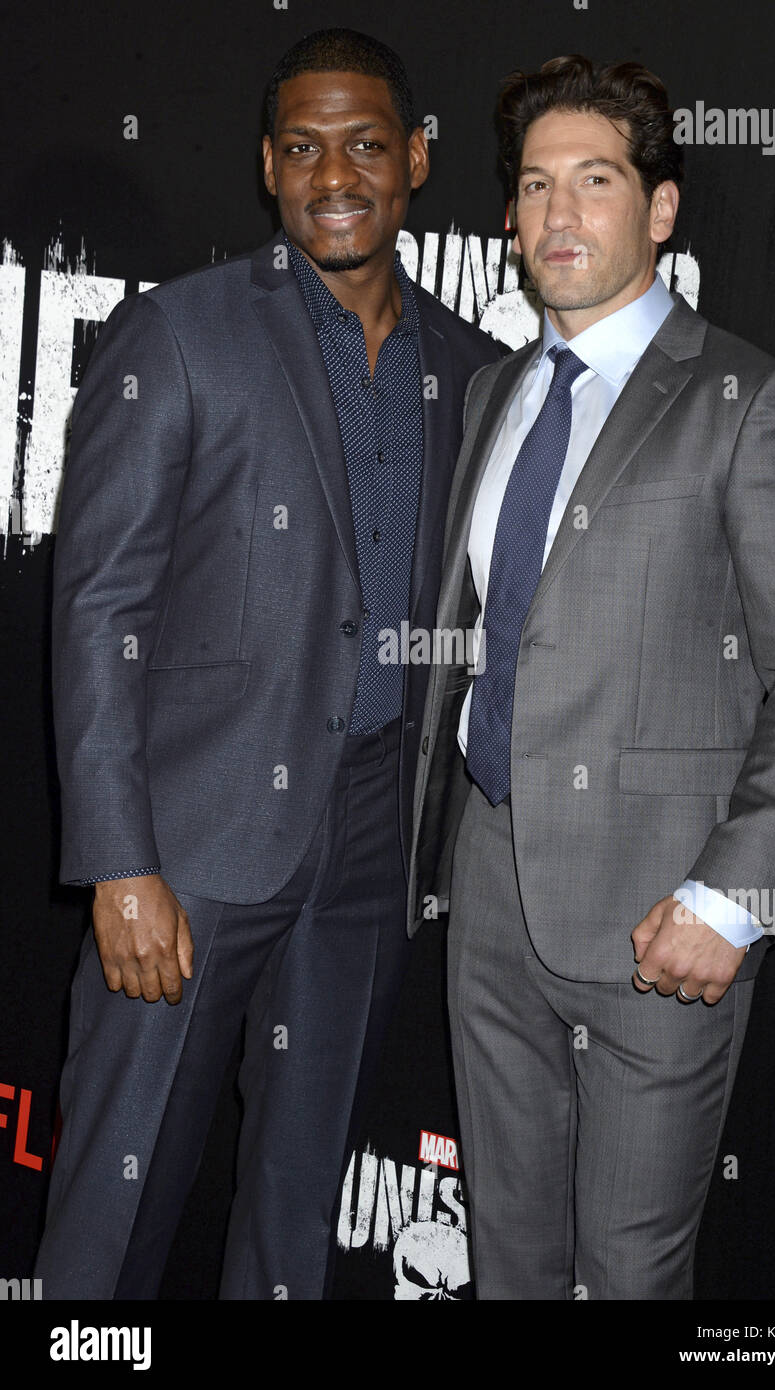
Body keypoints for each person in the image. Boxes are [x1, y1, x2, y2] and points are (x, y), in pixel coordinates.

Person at [36, 27, 500, 1300]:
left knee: (298, 1213)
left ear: (414, 159)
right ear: (267, 165)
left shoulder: (471, 373)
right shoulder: (177, 335)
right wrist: (121, 861)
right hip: (189, 845)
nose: (333, 174)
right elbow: (99, 604)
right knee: (114, 1213)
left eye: (363, 144)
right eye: (303, 148)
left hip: (367, 847)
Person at [408, 54, 775, 1299]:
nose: (557, 215)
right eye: (535, 185)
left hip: (663, 912)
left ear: (660, 211)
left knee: (627, 1272)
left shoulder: (757, 404)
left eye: (594, 181)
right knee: (508, 1257)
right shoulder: (498, 390)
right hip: (489, 887)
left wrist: (733, 900)